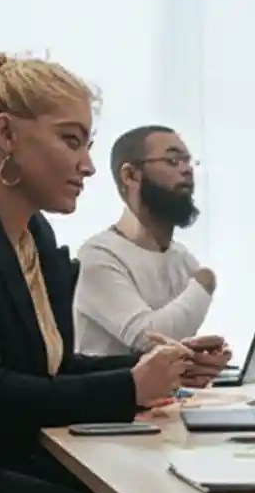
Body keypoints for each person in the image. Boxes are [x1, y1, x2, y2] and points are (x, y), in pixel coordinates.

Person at [0, 50, 229, 493]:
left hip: (9, 461)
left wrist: (158, 368)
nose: (88, 164)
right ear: (6, 135)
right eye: (71, 141)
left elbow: (50, 369)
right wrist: (130, 386)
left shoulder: (29, 234)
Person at [73, 125, 214, 355]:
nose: (187, 170)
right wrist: (205, 283)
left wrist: (206, 359)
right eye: (173, 161)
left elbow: (175, 353)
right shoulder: (98, 256)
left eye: (189, 162)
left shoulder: (184, 261)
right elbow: (150, 340)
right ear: (130, 175)